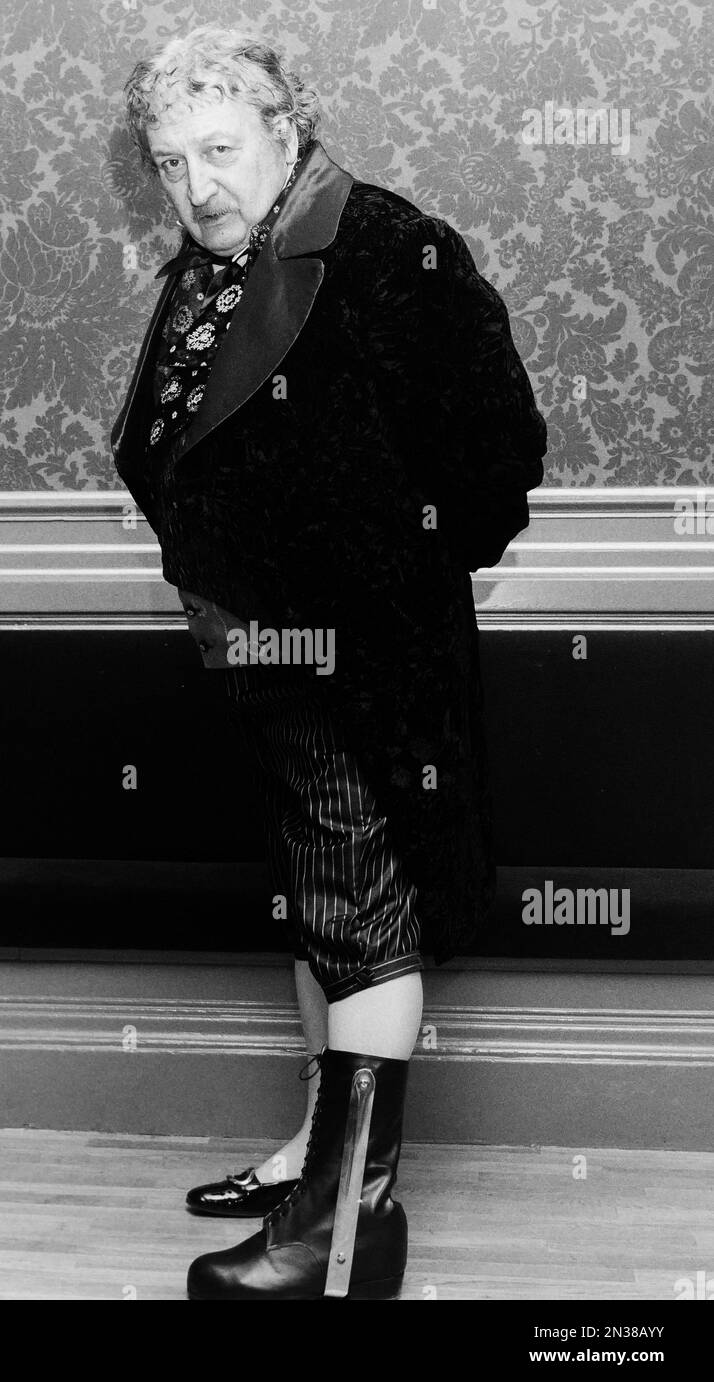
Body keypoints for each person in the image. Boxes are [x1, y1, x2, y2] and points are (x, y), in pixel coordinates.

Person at [112, 23, 547, 1300]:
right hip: (262, 653)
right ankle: (320, 1159)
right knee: (322, 904)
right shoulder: (209, 268)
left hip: (366, 658)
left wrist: (382, 570)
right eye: (169, 158)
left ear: (286, 132)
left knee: (360, 911)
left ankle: (344, 1235)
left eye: (220, 149)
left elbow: (496, 450)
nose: (194, 183)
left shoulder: (378, 245)